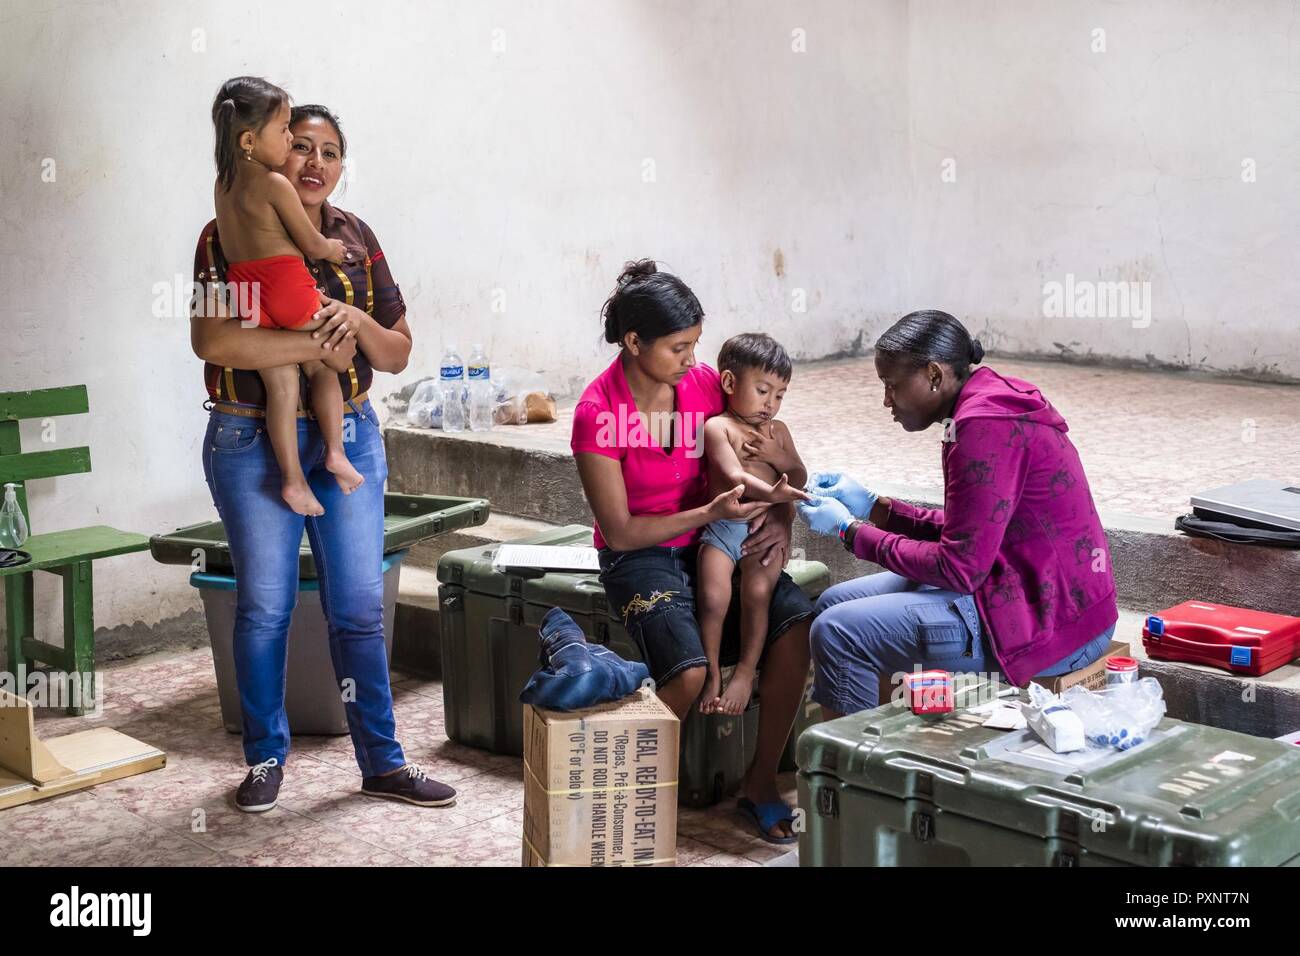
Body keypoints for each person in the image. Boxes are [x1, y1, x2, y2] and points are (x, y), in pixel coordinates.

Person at [190, 102, 457, 812]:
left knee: (360, 609)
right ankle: (263, 759)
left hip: (352, 433)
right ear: (271, 152)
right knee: (265, 608)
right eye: (299, 145)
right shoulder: (225, 236)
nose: (313, 162)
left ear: (341, 166)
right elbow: (215, 344)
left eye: (329, 152)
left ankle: (383, 763)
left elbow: (396, 354)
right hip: (250, 438)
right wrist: (315, 347)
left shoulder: (355, 236)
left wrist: (357, 323)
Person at [571, 259, 813, 844]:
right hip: (642, 555)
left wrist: (779, 517)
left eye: (695, 344)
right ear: (634, 342)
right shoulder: (598, 416)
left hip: (717, 543)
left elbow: (772, 460)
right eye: (679, 347)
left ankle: (759, 784)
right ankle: (627, 804)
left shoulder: (705, 387)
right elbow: (623, 531)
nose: (691, 359)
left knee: (798, 625)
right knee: (686, 673)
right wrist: (708, 513)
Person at [797, 309, 1118, 718]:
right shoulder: (985, 401)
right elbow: (970, 533)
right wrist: (876, 507)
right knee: (831, 603)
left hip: (1051, 621)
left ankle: (854, 775)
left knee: (838, 631)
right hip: (1016, 582)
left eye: (891, 385)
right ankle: (884, 748)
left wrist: (851, 531)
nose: (886, 401)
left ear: (933, 375)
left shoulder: (981, 428)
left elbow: (959, 568)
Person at [210, 77, 362, 517]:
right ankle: (335, 450)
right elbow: (313, 246)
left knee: (282, 383)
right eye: (286, 135)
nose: (291, 139)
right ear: (250, 140)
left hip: (247, 290)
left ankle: (292, 481)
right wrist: (335, 250)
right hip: (285, 284)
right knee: (325, 366)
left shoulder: (222, 185)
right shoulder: (274, 185)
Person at [698, 333, 811, 716]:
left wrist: (778, 456)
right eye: (763, 390)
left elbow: (798, 473)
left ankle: (745, 672)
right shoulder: (720, 428)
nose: (771, 403)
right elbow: (735, 478)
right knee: (713, 596)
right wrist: (775, 495)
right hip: (724, 528)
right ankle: (711, 671)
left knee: (758, 592)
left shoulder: (778, 433)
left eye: (780, 394)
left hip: (763, 532)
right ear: (730, 383)